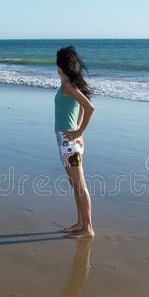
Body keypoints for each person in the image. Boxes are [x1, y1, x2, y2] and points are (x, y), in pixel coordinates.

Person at [55, 46, 95, 237]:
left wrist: (79, 132)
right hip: (67, 142)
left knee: (80, 185)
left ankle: (88, 228)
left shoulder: (69, 86)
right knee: (75, 185)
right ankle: (80, 223)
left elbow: (89, 108)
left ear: (60, 67)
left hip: (69, 145)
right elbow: (81, 106)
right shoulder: (68, 85)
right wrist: (78, 131)